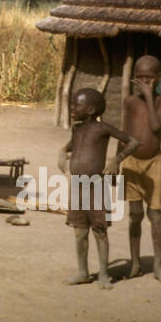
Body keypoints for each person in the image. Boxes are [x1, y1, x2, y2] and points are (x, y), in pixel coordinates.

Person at [59, 88, 139, 289]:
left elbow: (133, 142)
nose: (72, 108)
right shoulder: (76, 129)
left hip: (97, 185)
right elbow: (70, 146)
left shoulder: (103, 128)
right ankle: (83, 272)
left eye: (77, 105)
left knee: (100, 230)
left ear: (91, 109)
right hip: (77, 186)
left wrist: (116, 159)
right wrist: (62, 153)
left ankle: (103, 274)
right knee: (79, 232)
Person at [122, 55, 161, 282]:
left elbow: (155, 126)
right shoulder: (129, 102)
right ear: (134, 78)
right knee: (134, 215)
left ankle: (158, 265)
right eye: (140, 77)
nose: (144, 82)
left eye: (149, 78)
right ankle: (135, 263)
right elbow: (123, 133)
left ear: (158, 79)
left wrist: (148, 98)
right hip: (131, 163)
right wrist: (116, 160)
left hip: (154, 162)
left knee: (155, 215)